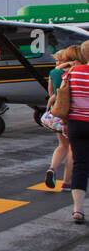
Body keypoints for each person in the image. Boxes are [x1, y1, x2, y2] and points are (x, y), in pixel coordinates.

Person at [44, 45, 79, 188]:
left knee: (62, 145)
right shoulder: (75, 71)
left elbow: (52, 94)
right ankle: (67, 182)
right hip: (70, 114)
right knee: (72, 148)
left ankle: (52, 168)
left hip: (57, 113)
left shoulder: (54, 73)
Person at [63, 41, 89, 223]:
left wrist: (65, 122)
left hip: (76, 123)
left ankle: (78, 210)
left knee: (80, 165)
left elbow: (64, 98)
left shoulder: (72, 73)